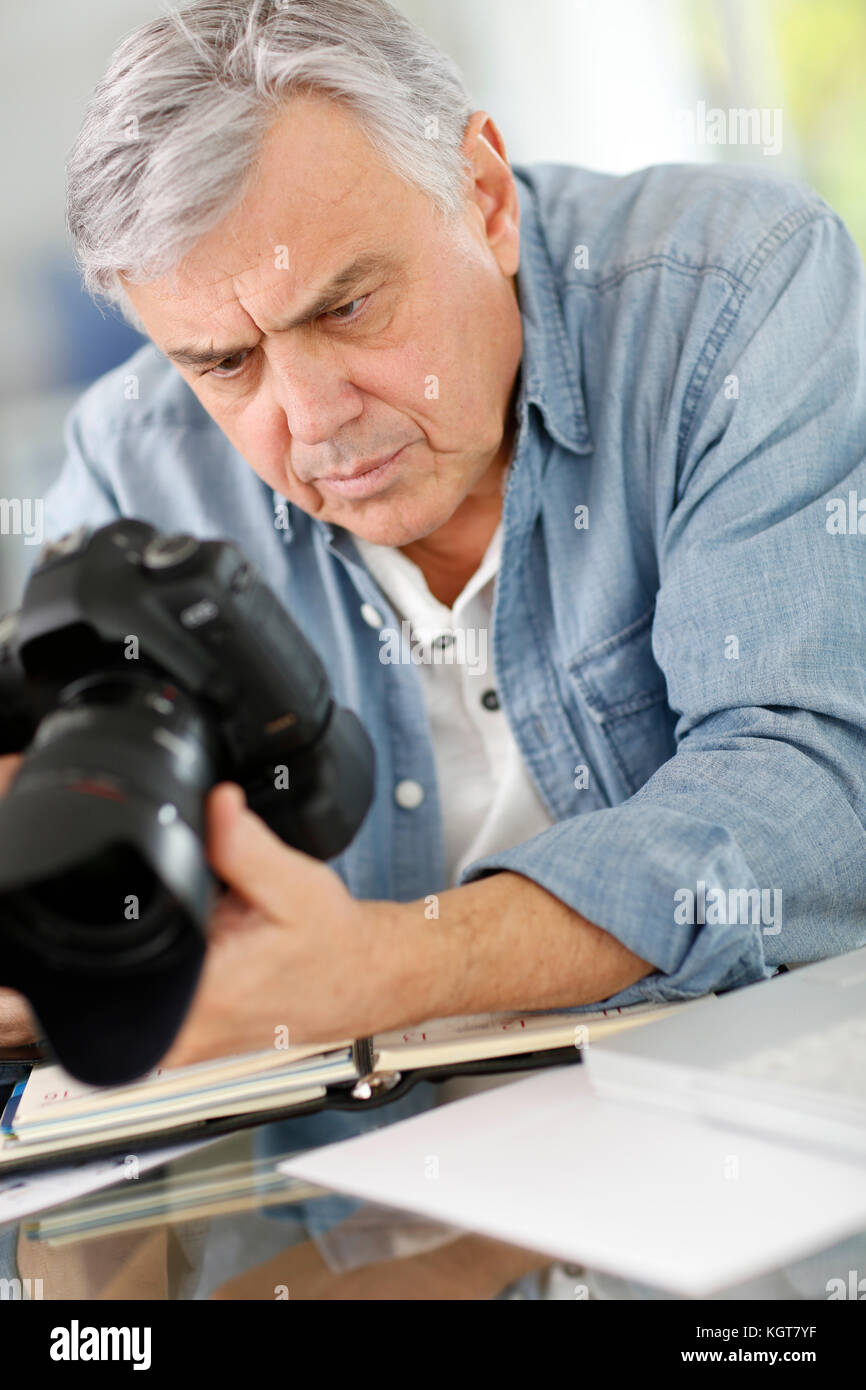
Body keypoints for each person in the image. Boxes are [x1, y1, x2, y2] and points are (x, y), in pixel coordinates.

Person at [4, 0, 866, 1298]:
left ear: (480, 191)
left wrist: (394, 962)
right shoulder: (136, 463)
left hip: (749, 1164)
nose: (309, 419)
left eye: (347, 307)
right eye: (224, 360)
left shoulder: (730, 293)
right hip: (356, 1198)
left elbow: (807, 785)